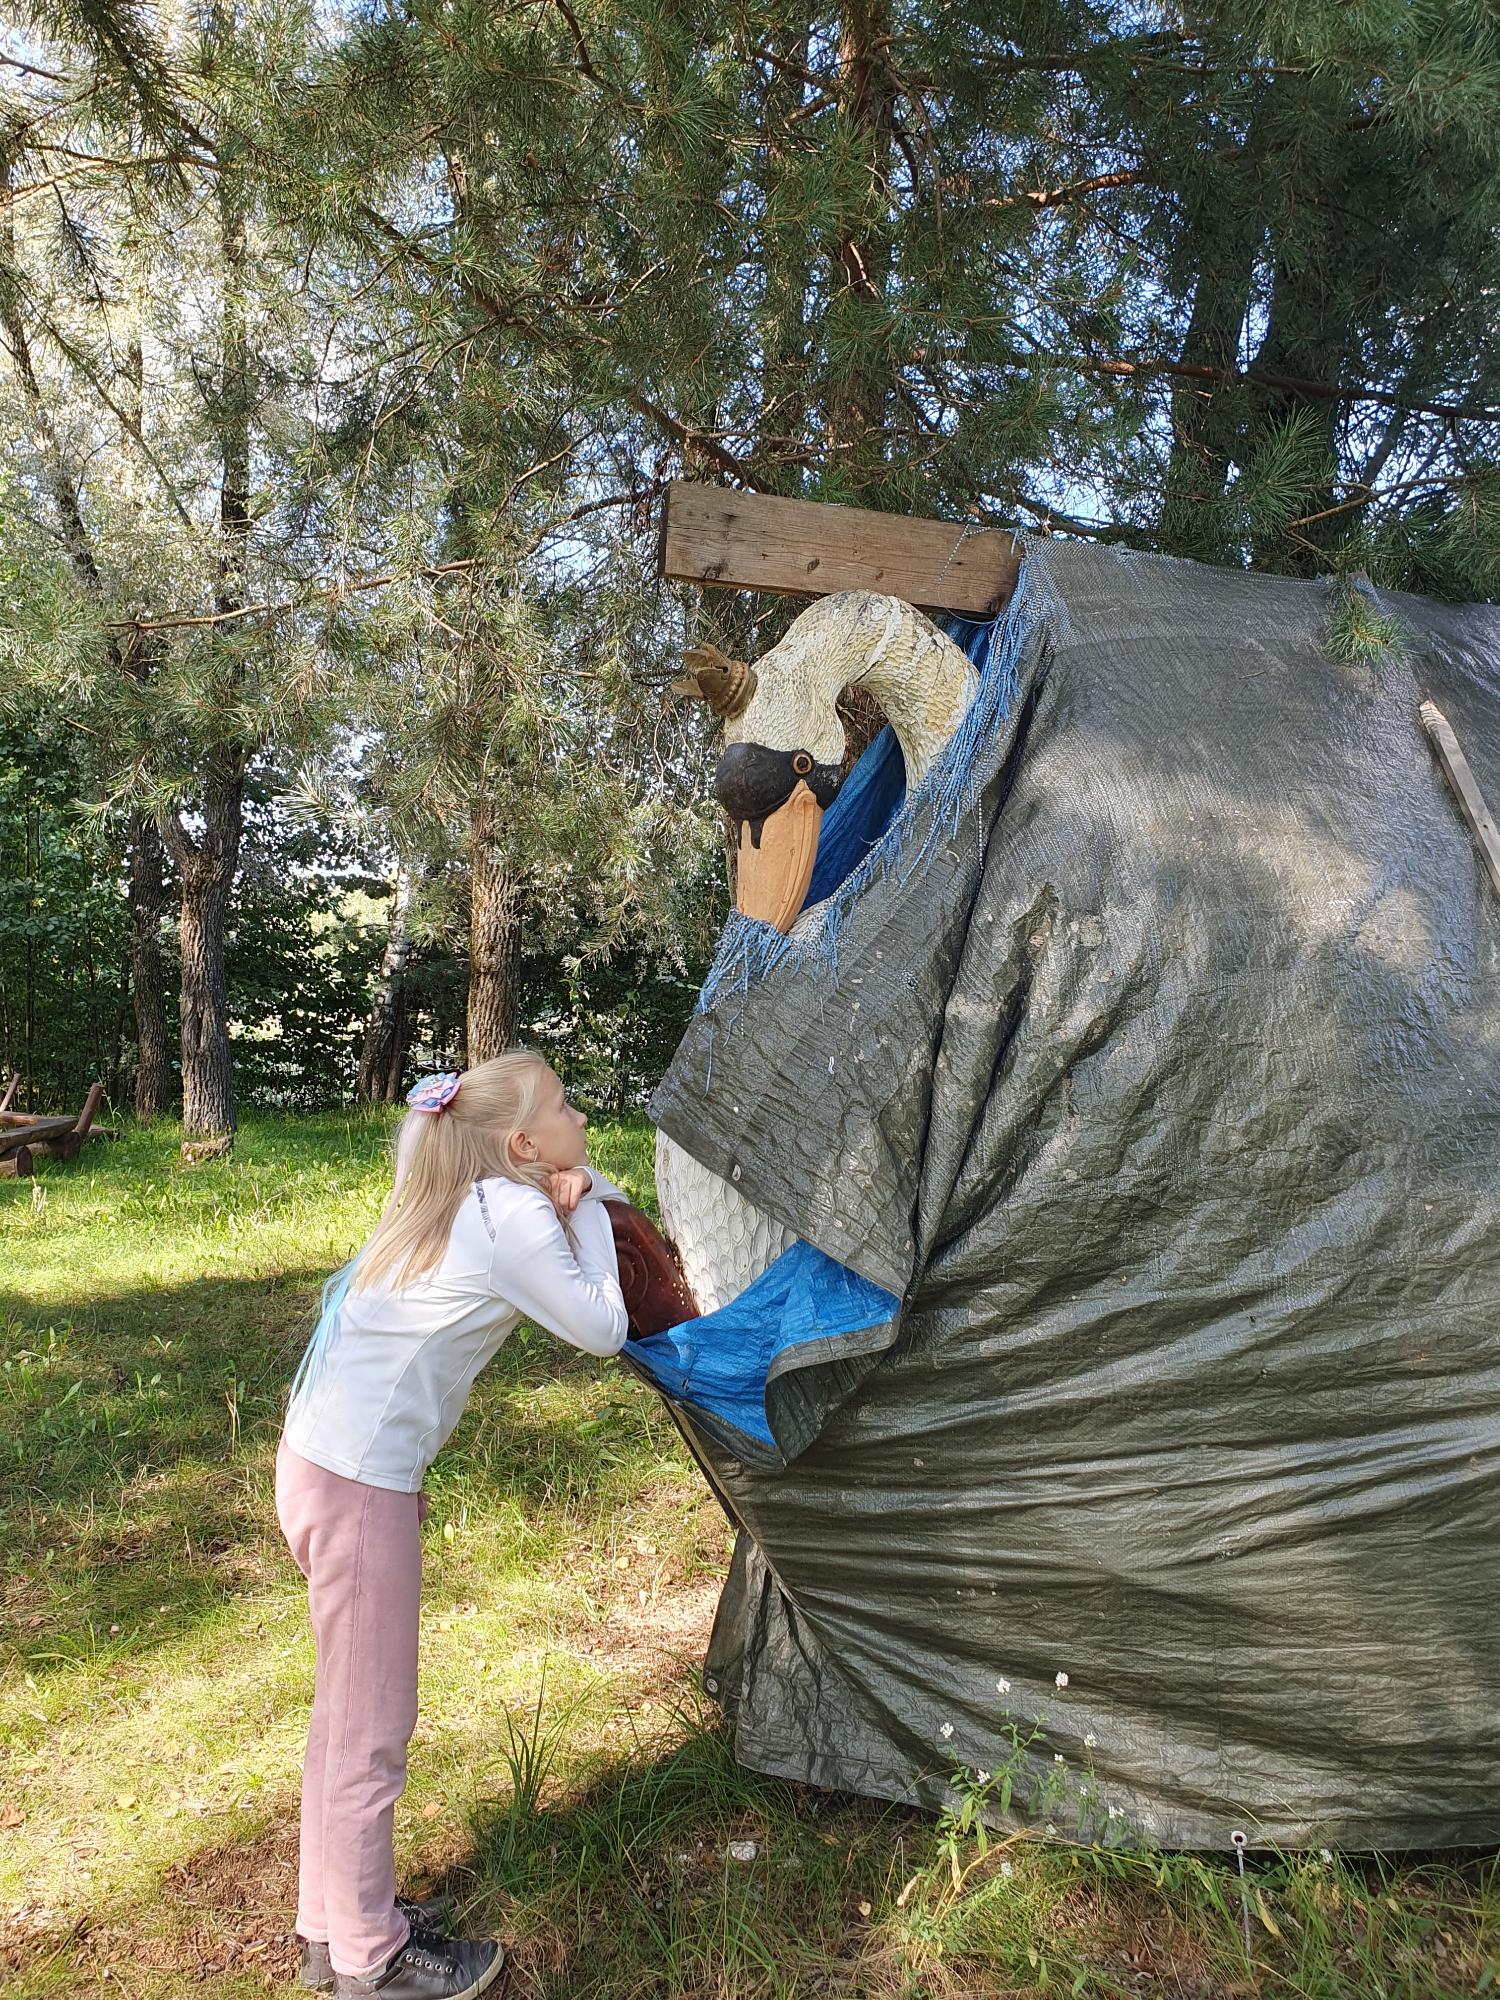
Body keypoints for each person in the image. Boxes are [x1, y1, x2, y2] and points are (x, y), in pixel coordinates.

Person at [276, 1051, 630, 2000]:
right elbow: (603, 1326)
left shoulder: (456, 1189)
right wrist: (585, 1202)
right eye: (564, 1105)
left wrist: (581, 1184)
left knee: (343, 1718)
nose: (579, 1115)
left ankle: (332, 1925)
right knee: (371, 1732)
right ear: (522, 1144)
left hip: (321, 1465)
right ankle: (372, 1962)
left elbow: (595, 1184)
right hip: (359, 1489)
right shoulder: (510, 1214)